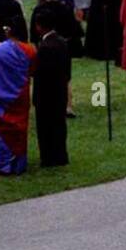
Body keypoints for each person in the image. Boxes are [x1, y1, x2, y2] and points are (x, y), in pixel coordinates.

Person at [0, 28, 36, 176]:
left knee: (0, 132)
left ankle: (4, 163)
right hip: (20, 96)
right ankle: (19, 163)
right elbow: (32, 70)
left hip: (0, 98)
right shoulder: (29, 50)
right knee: (20, 130)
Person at [33, 24, 71, 167]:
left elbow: (40, 74)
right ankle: (61, 155)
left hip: (45, 94)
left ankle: (48, 158)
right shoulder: (62, 42)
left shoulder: (44, 47)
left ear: (40, 26)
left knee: (45, 128)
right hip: (60, 90)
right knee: (59, 125)